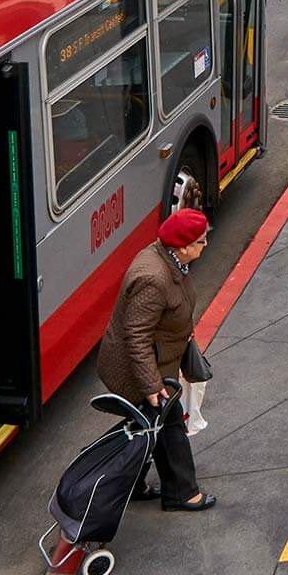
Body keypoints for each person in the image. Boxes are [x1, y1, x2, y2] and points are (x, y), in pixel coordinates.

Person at [94, 207, 216, 513]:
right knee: (169, 427)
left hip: (155, 362)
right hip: (141, 371)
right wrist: (151, 385)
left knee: (144, 426)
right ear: (184, 247)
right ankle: (182, 493)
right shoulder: (153, 278)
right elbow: (136, 336)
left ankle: (129, 484)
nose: (206, 245)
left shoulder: (165, 258)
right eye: (202, 241)